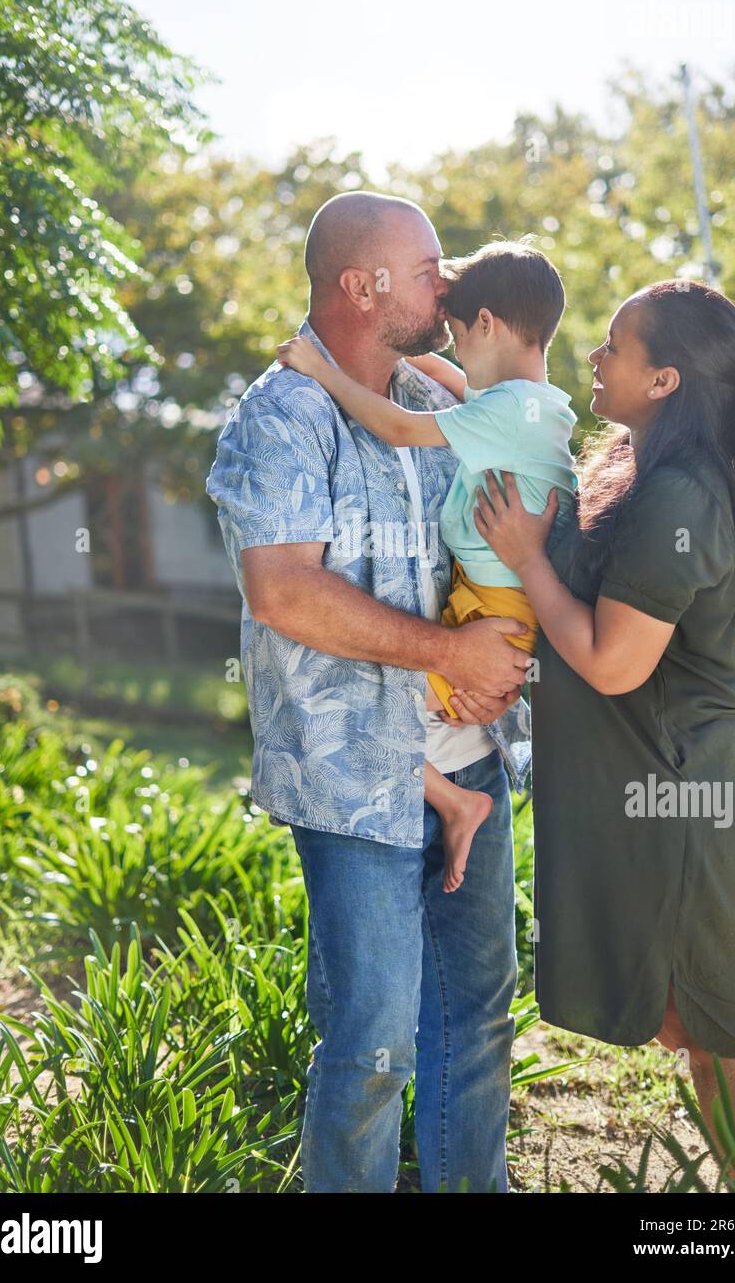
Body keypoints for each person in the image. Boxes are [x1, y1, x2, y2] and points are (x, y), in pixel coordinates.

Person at [206, 190, 533, 1193]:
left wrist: (495, 658)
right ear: (360, 283)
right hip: (355, 788)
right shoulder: (279, 418)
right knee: (374, 1046)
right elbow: (285, 591)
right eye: (429, 266)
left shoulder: (431, 402)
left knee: (475, 1025)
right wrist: (451, 648)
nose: (449, 281)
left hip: (467, 769)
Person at [468, 279, 735, 1175]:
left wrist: (523, 560)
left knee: (722, 1027)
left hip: (685, 797)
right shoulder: (643, 470)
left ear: (663, 379)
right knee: (695, 1022)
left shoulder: (679, 495)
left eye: (613, 345)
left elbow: (612, 661)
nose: (593, 356)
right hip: (664, 789)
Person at [278, 240, 578, 892]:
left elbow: (400, 427)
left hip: (499, 612)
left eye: (455, 334)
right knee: (405, 687)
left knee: (353, 700)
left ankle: (456, 801)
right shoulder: (528, 404)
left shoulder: (506, 411)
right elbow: (453, 382)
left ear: (488, 325)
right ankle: (462, 785)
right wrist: (396, 339)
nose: (450, 350)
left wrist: (323, 368)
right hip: (492, 596)